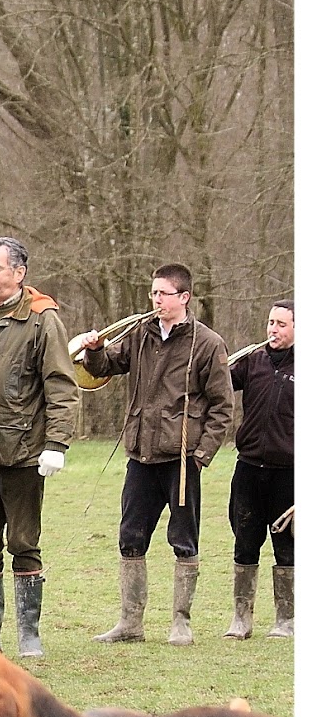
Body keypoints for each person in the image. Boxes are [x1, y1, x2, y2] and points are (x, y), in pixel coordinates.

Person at [76, 264, 233, 647]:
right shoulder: (139, 334)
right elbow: (108, 366)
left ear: (184, 297)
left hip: (182, 460)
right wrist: (94, 352)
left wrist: (201, 454)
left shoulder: (207, 343)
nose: (156, 300)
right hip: (140, 456)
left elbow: (223, 406)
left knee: (184, 540)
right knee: (130, 537)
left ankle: (181, 622)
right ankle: (130, 623)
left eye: (163, 293)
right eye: (153, 293)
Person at [0, 236, 79, 659]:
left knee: (23, 542)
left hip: (23, 450)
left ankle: (30, 634)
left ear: (19, 273)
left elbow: (62, 386)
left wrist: (57, 442)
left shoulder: (43, 320)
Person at [224, 299, 294, 641]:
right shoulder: (252, 361)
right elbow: (218, 384)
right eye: (271, 323)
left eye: (281, 324)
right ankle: (241, 619)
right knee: (245, 541)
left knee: (288, 546)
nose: (273, 330)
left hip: (290, 472)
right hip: (249, 468)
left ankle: (286, 619)